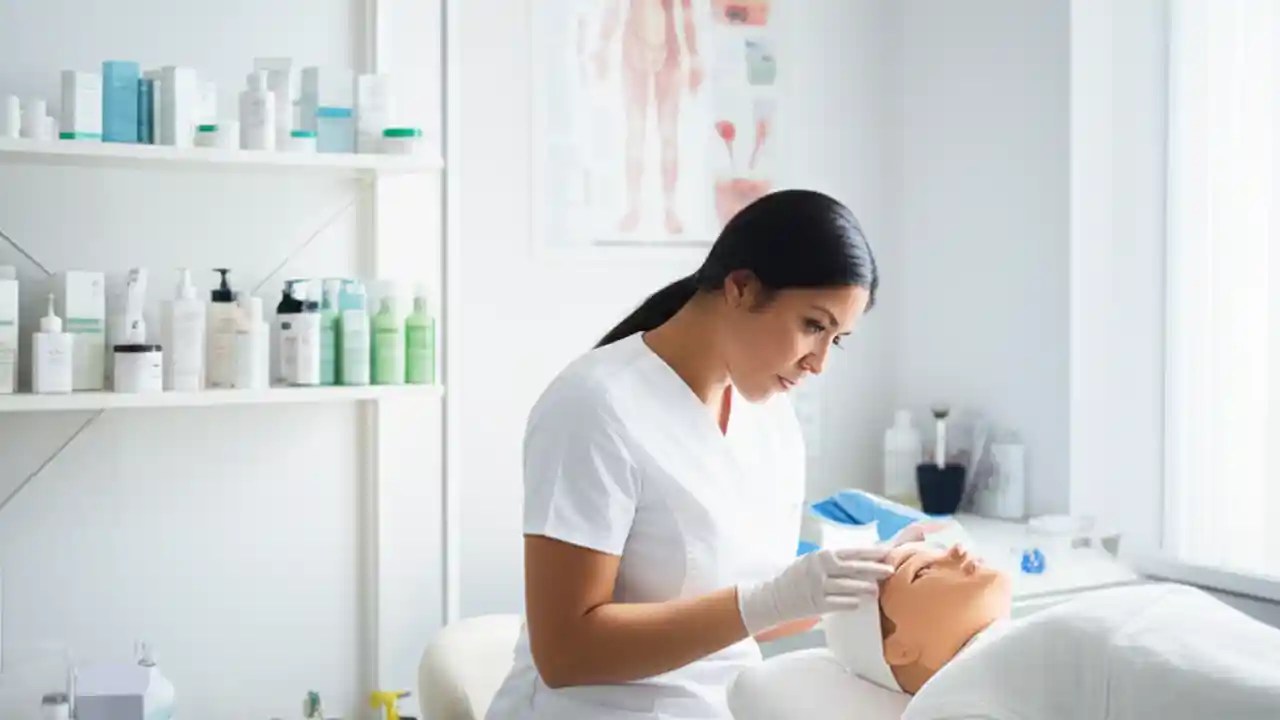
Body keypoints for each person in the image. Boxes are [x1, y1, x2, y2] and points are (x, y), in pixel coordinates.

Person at [486, 190, 921, 720]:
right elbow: (565, 652)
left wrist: (852, 586)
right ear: (740, 288)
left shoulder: (772, 419)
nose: (819, 364)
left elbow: (760, 611)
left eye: (838, 339)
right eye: (813, 326)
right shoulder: (595, 406)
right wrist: (774, 599)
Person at [815, 540, 1280, 719]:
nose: (954, 552)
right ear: (896, 647)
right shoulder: (944, 703)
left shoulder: (1019, 642)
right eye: (924, 570)